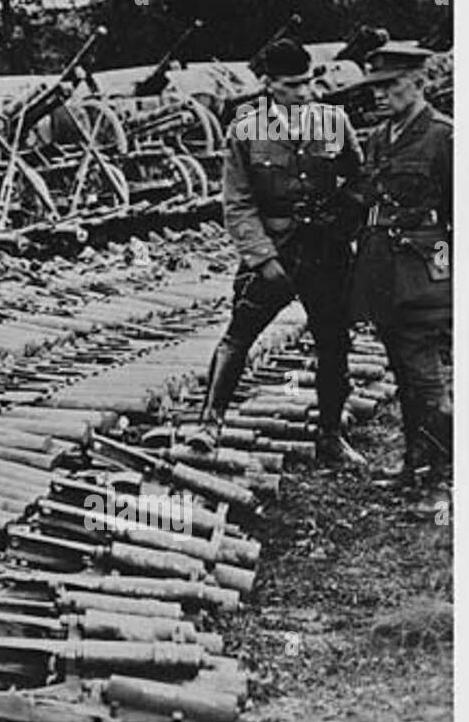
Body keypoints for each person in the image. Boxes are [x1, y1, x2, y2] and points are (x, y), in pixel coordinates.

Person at [187, 38, 365, 466]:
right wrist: (262, 259)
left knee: (334, 342)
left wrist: (344, 223)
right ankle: (209, 425)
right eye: (291, 85)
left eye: (307, 82)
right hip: (275, 249)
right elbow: (238, 203)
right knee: (239, 335)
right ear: (269, 84)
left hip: (326, 250)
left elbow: (359, 180)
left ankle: (329, 436)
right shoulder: (246, 128)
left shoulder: (333, 121)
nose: (303, 93)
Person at [347, 45, 453, 492]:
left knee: (423, 374)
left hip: (423, 268)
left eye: (390, 85)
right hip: (382, 270)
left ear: (419, 82)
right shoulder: (378, 137)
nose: (380, 95)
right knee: (402, 370)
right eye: (375, 87)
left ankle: (442, 469)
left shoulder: (443, 136)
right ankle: (415, 464)